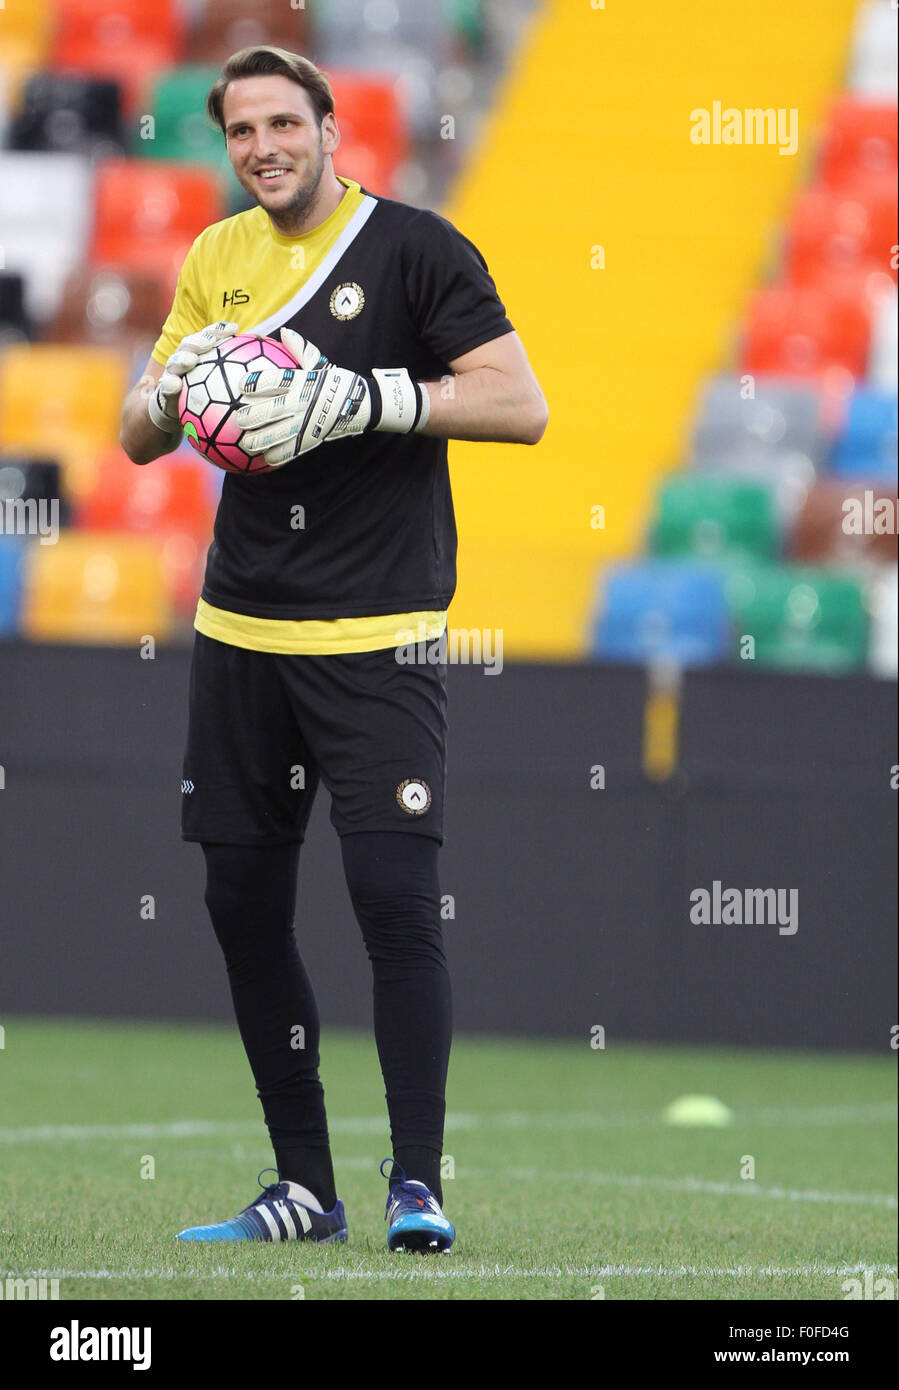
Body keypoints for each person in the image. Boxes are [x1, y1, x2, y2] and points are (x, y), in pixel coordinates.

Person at [120, 44, 547, 1253]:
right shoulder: (217, 257)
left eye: (282, 125)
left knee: (391, 899)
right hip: (240, 627)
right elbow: (136, 434)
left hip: (377, 634)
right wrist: (182, 388)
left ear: (329, 128)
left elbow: (519, 402)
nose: (262, 148)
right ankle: (302, 1187)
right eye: (241, 131)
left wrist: (370, 397)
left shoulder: (415, 249)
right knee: (240, 902)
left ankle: (417, 1180)